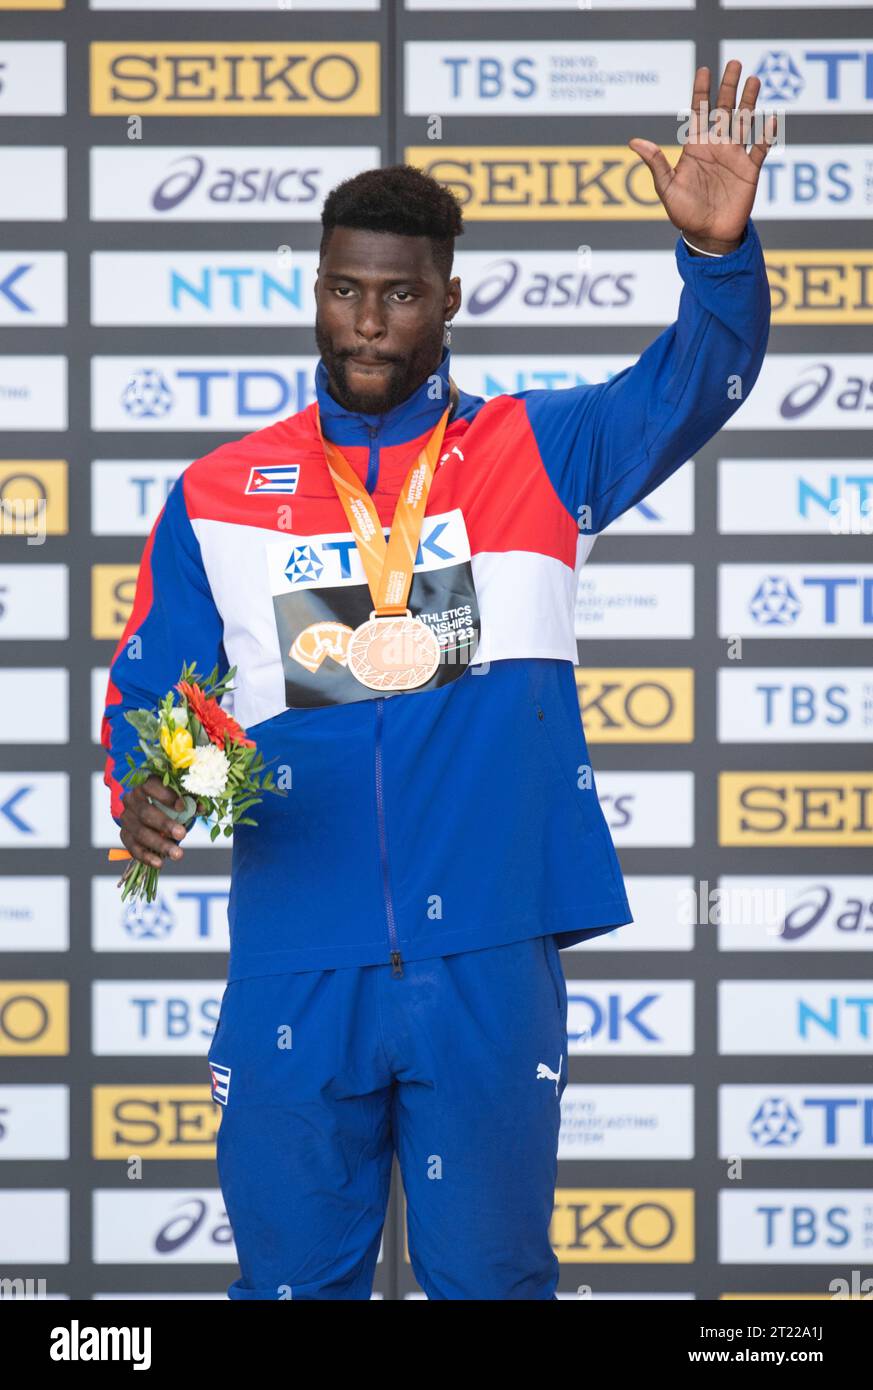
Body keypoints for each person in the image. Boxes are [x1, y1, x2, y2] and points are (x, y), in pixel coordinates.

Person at [102, 62, 773, 1299]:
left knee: (495, 1285)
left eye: (400, 296)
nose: (369, 321)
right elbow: (152, 696)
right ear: (317, 291)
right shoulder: (216, 494)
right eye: (347, 292)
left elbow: (694, 386)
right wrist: (141, 789)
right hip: (298, 954)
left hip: (487, 957)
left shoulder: (539, 448)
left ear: (448, 298)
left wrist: (717, 262)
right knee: (290, 1287)